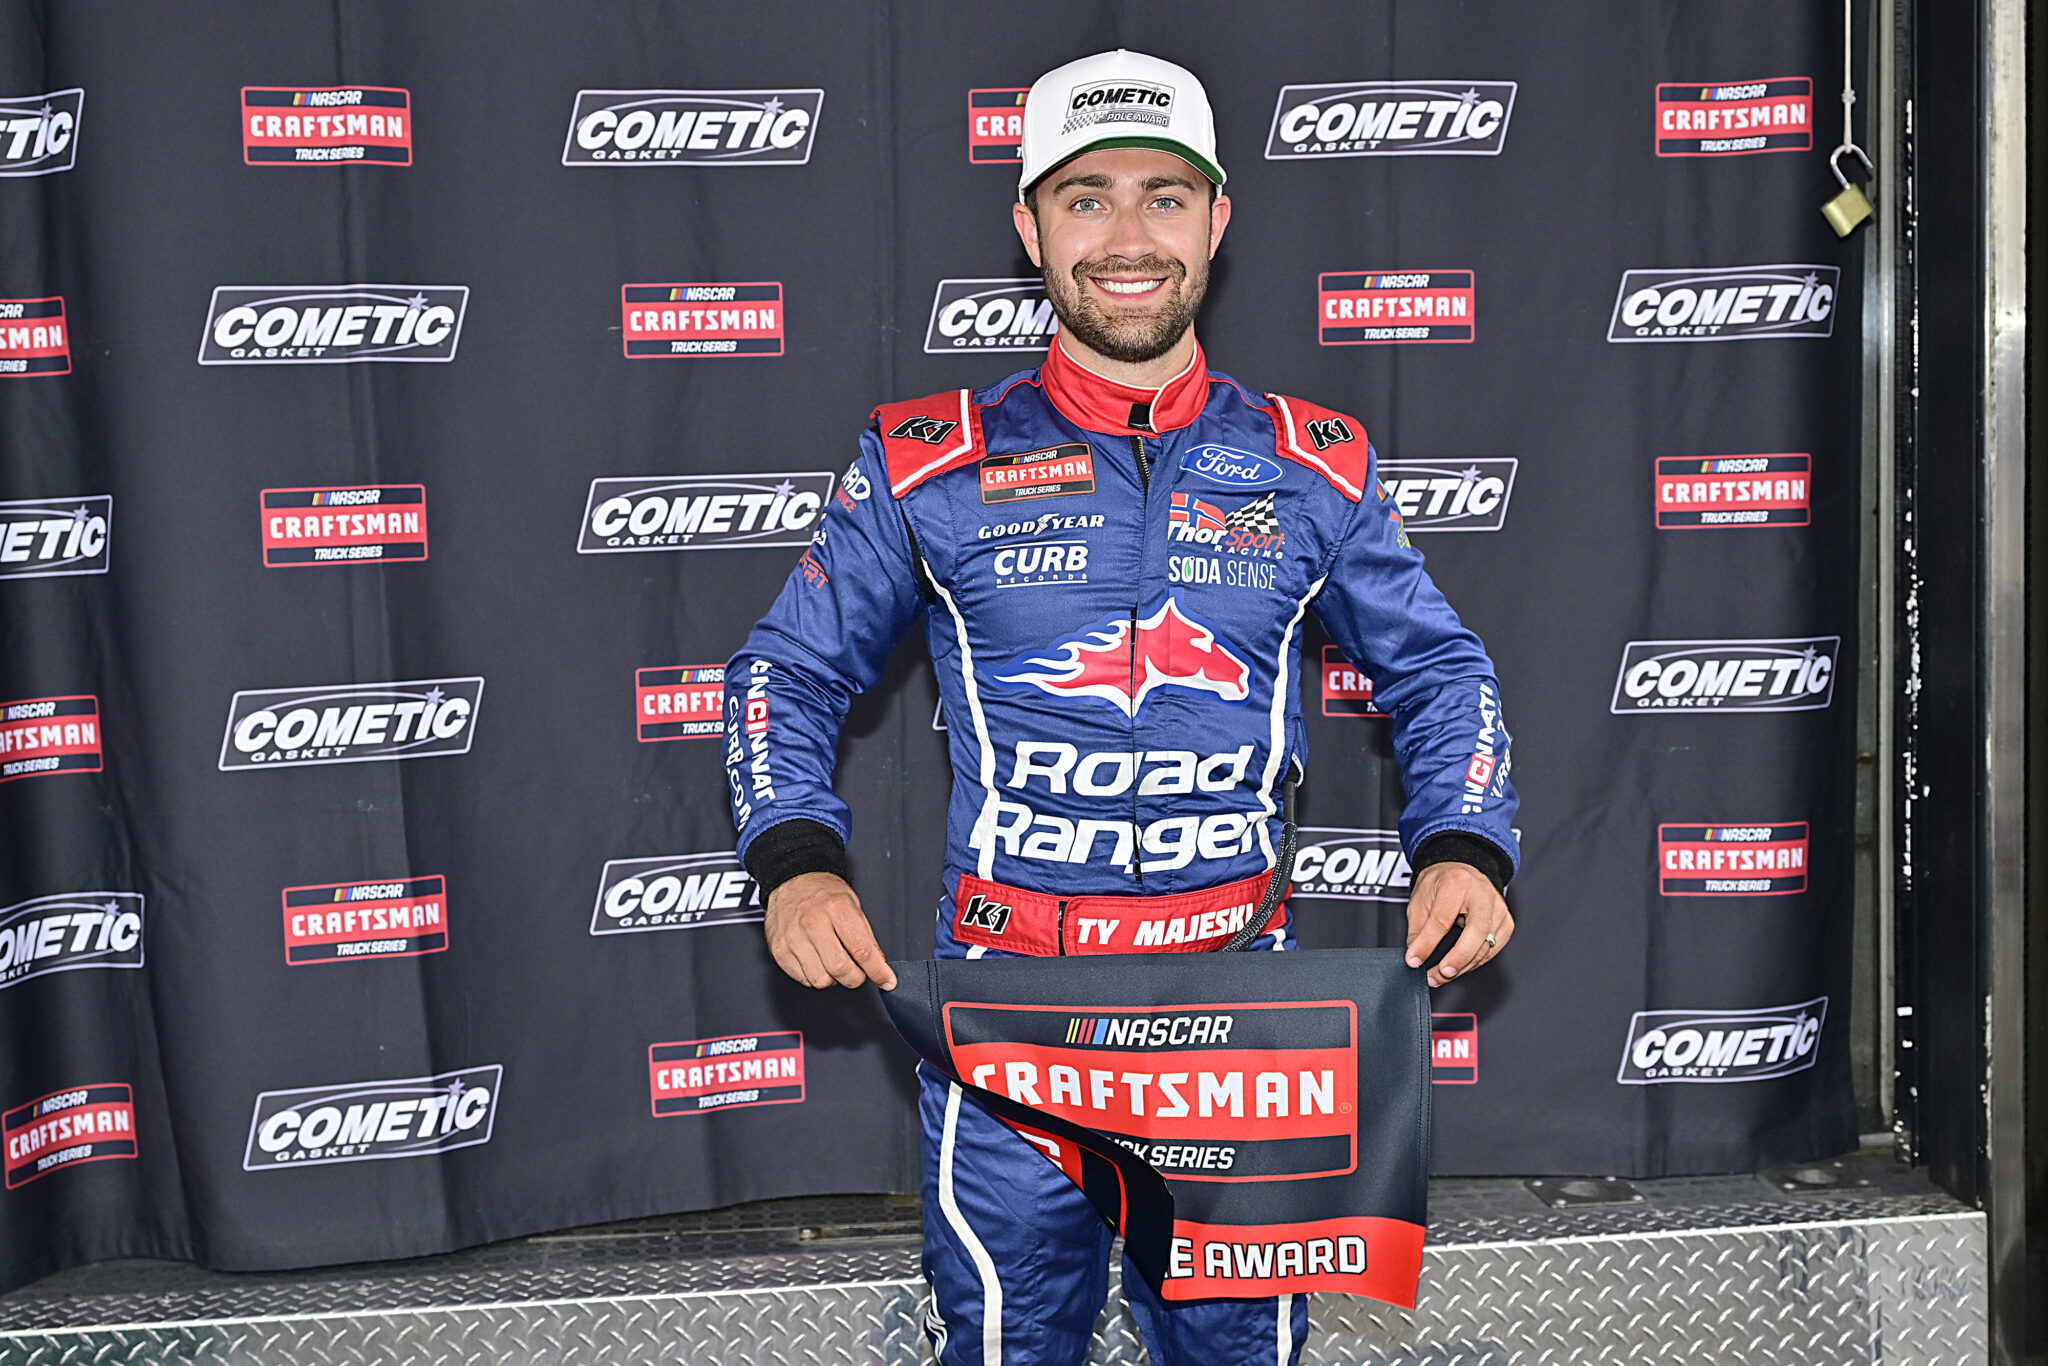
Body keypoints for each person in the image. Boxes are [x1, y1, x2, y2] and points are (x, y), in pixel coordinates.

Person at [722, 48, 1519, 1366]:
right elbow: (782, 673)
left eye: (1163, 196)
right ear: (1030, 228)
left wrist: (1465, 838)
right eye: (1086, 199)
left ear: (1217, 218)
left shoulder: (1311, 463)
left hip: (1237, 1017)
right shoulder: (930, 462)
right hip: (1012, 1015)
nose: (1128, 238)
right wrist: (795, 858)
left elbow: (1444, 673)